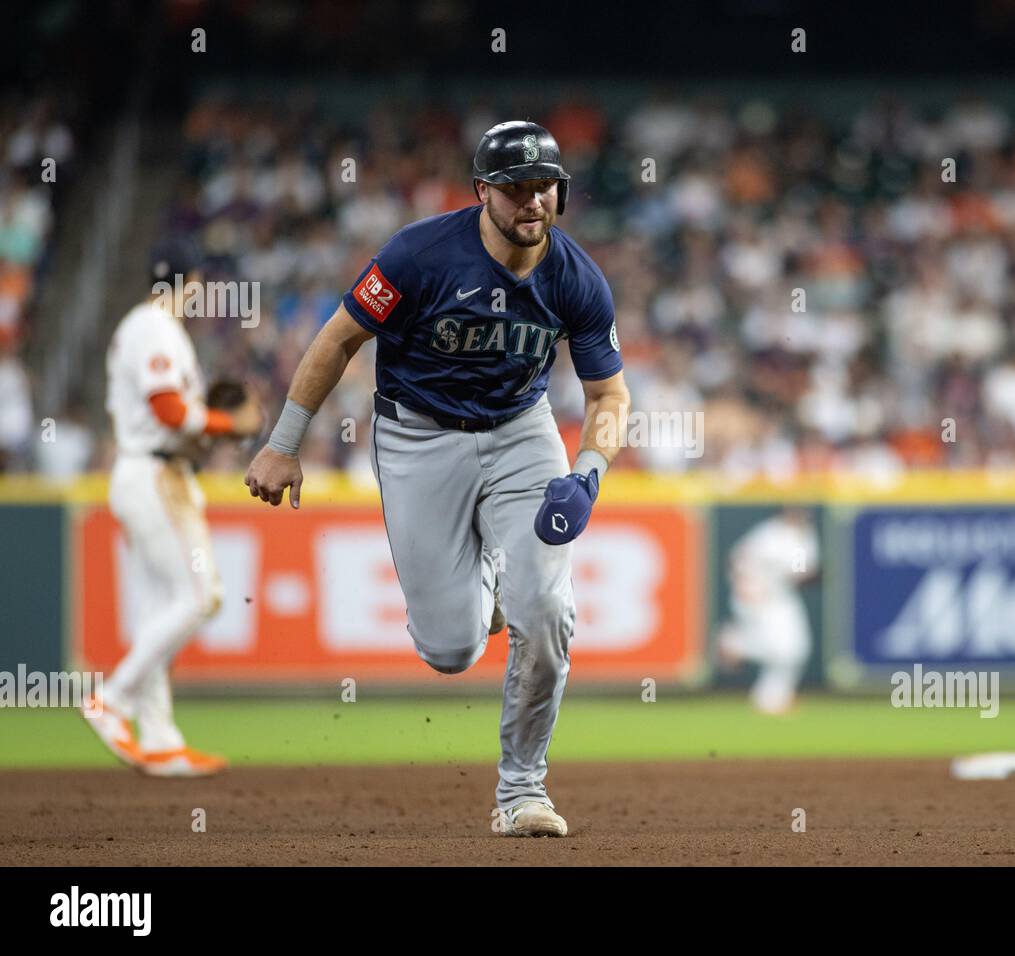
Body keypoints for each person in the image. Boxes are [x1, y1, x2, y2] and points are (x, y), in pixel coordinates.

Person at [244, 122, 631, 837]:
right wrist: (284, 443)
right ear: (482, 190)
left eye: (545, 186)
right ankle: (494, 580)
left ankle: (522, 791)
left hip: (521, 430)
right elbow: (339, 337)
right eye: (516, 188)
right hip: (418, 435)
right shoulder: (420, 254)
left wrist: (587, 474)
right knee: (450, 650)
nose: (533, 201)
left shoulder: (577, 277)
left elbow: (609, 395)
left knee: (547, 612)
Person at [81, 238, 263, 776]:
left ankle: (160, 739)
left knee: (158, 610)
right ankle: (112, 699)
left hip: (151, 471)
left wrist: (211, 427)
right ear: (190, 283)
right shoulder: (155, 327)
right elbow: (167, 408)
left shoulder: (146, 326)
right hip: (156, 476)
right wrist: (229, 423)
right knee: (203, 596)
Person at [718, 507, 820, 715]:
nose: (800, 516)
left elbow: (799, 573)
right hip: (758, 596)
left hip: (782, 596)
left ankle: (769, 698)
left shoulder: (803, 537)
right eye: (797, 511)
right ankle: (735, 643)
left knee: (796, 650)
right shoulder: (769, 534)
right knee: (784, 650)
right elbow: (738, 558)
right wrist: (745, 587)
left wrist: (812, 574)